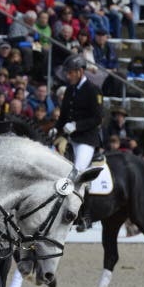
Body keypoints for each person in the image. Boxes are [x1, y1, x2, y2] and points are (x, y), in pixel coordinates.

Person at [55, 54, 103, 230]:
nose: (68, 76)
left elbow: (97, 118)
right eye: (67, 73)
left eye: (71, 73)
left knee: (79, 173)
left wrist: (76, 125)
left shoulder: (93, 90)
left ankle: (86, 215)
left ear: (80, 71)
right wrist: (56, 128)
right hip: (69, 137)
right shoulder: (69, 89)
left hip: (86, 139)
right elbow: (63, 116)